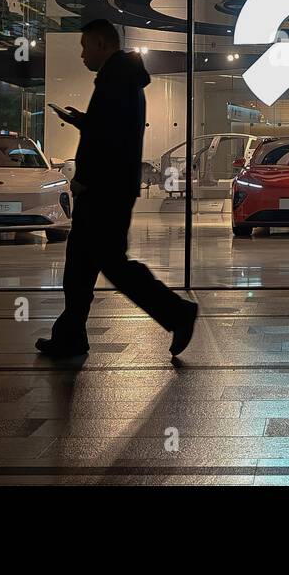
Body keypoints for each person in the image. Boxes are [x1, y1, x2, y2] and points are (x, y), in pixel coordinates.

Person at [36, 19, 199, 360]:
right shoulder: (125, 80)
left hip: (103, 191)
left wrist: (85, 179)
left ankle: (177, 313)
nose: (82, 55)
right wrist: (83, 120)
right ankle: (71, 335)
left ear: (100, 43)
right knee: (83, 266)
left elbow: (108, 141)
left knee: (108, 265)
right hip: (113, 189)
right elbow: (111, 129)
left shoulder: (114, 80)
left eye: (84, 47)